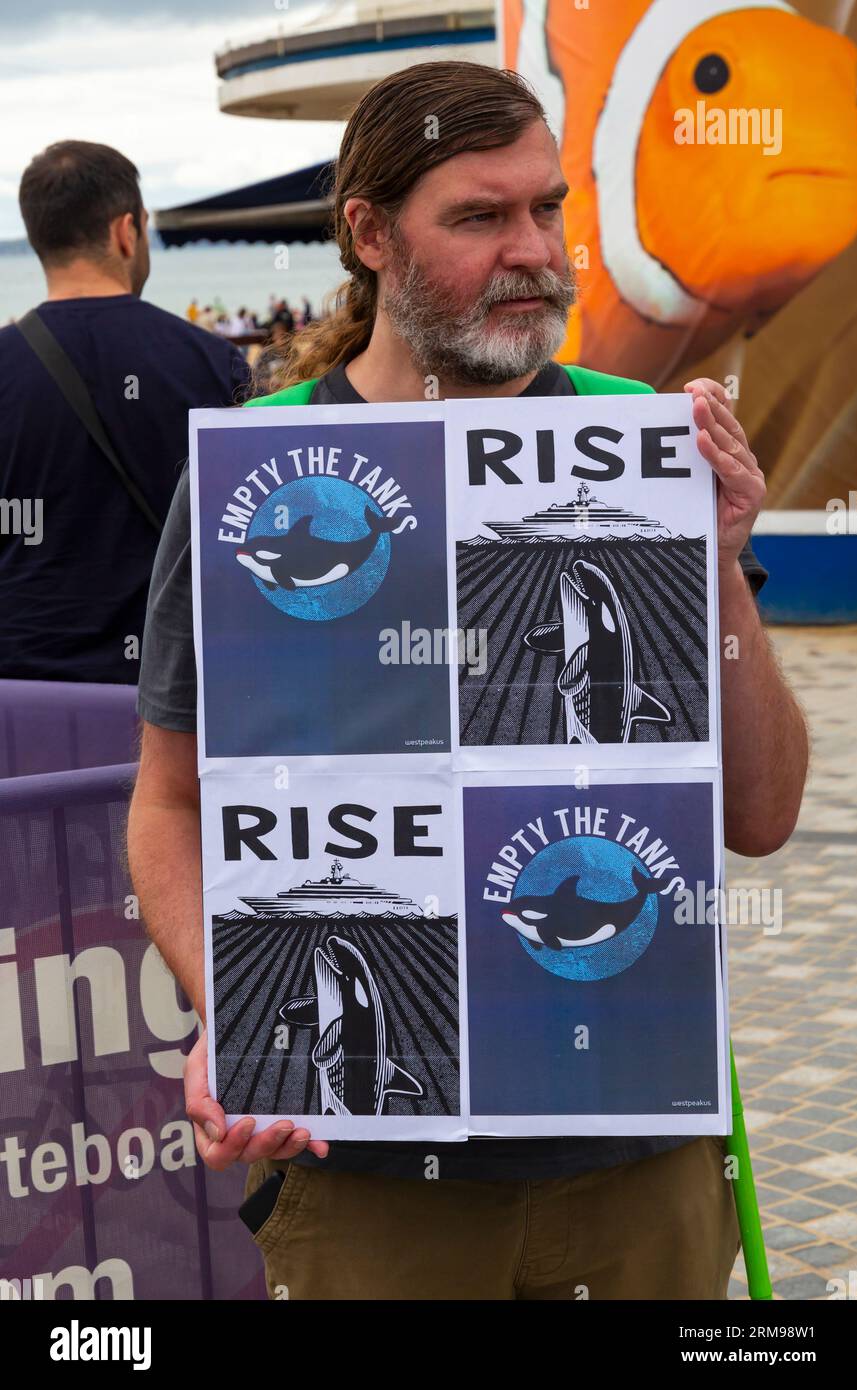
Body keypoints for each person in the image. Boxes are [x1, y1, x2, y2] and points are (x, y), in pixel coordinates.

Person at [127, 62, 809, 1300]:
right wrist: (227, 1008)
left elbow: (758, 817)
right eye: (480, 218)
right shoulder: (258, 470)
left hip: (632, 1154)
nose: (533, 253)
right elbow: (168, 800)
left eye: (546, 209)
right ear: (368, 233)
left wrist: (711, 568)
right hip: (369, 1170)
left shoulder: (639, 437)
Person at [0, 141, 249, 684]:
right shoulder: (211, 362)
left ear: (40, 238)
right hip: (174, 687)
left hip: (22, 687)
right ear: (126, 231)